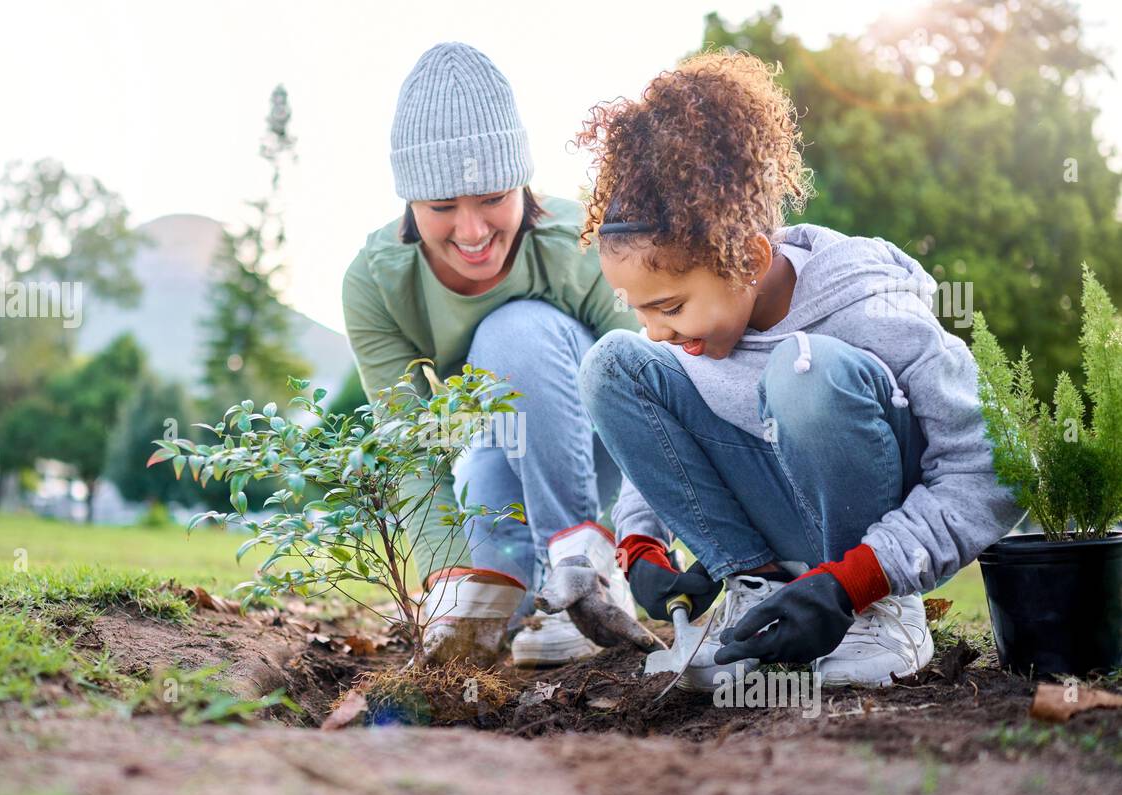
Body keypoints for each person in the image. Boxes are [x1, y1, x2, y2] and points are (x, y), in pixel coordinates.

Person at [574, 50, 1024, 688]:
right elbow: (671, 436)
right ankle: (759, 596)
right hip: (778, 538)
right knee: (611, 364)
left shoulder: (871, 306)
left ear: (751, 260)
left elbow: (994, 468)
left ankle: (877, 618)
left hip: (871, 559)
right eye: (641, 309)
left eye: (670, 307)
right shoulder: (691, 332)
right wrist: (641, 542)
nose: (657, 330)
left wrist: (854, 582)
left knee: (803, 370)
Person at [342, 42, 667, 667]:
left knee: (512, 333)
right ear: (410, 203)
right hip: (496, 451)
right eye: (441, 207)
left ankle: (583, 572)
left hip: (602, 445)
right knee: (488, 596)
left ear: (522, 181)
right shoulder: (376, 284)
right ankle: (529, 589)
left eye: (492, 197)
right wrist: (447, 579)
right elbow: (409, 448)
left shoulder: (583, 245)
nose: (471, 231)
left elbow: (658, 394)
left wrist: (636, 538)